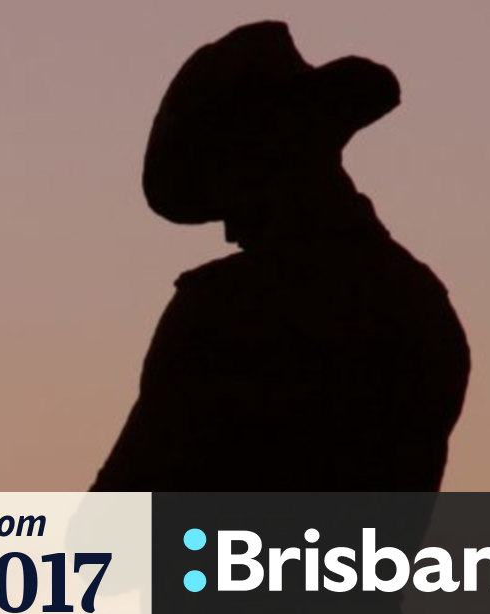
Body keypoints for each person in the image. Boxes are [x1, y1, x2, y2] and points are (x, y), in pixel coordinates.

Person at [92, 21, 470, 492]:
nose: (230, 229)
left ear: (262, 155)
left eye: (226, 189)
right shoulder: (419, 304)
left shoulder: (223, 311)